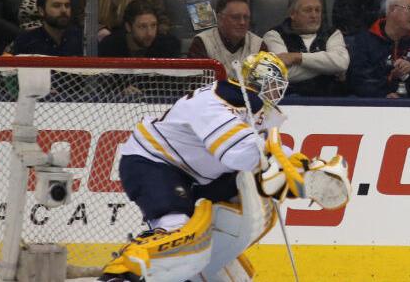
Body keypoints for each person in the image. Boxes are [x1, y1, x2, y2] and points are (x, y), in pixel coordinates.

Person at [99, 52, 349, 282]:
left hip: (197, 178)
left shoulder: (245, 110)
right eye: (269, 86)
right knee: (178, 231)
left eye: (277, 88)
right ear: (254, 82)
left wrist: (307, 170)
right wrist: (278, 168)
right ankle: (124, 270)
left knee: (230, 272)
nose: (273, 95)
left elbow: (265, 150)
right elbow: (238, 154)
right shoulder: (212, 102)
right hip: (154, 162)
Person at [262, 0, 349, 97]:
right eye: (308, 10)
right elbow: (281, 73)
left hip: (330, 102)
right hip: (291, 103)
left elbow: (341, 63)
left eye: (318, 10)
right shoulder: (274, 35)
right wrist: (330, 68)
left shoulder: (333, 34)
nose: (314, 15)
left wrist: (297, 57)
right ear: (292, 14)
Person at [346, 0, 410, 98]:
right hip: (374, 109)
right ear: (392, 9)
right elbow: (359, 83)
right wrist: (388, 84)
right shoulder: (364, 42)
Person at [187, 0, 265, 74]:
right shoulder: (202, 42)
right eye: (235, 17)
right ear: (220, 18)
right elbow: (196, 82)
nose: (242, 22)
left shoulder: (258, 45)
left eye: (246, 17)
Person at [7, 0, 81, 56]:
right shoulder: (26, 41)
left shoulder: (81, 39)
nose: (64, 10)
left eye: (67, 5)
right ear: (41, 11)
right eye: (57, 6)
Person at [98, 0, 181, 58]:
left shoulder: (168, 46)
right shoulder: (110, 46)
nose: (150, 33)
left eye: (153, 25)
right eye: (142, 26)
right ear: (128, 27)